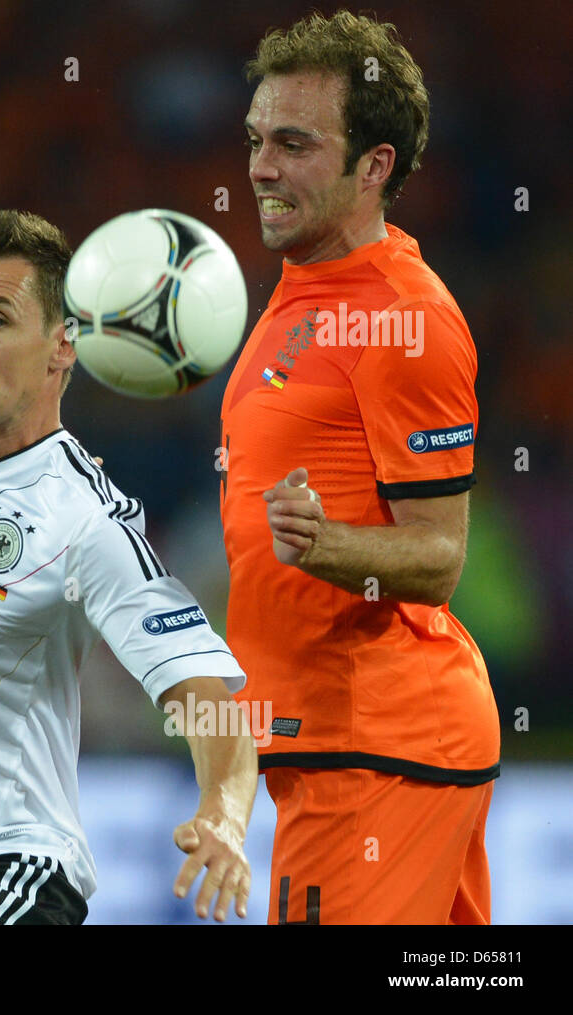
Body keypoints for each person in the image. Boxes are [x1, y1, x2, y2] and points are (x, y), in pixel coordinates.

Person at [0, 209, 256, 925]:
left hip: (3, 868)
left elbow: (206, 698)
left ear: (63, 345)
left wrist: (222, 812)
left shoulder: (84, 520)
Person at [223, 11, 499, 924]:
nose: (261, 167)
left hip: (375, 747)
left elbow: (438, 557)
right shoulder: (302, 283)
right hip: (349, 745)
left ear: (373, 165)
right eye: (258, 139)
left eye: (295, 144)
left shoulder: (403, 317)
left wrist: (324, 542)